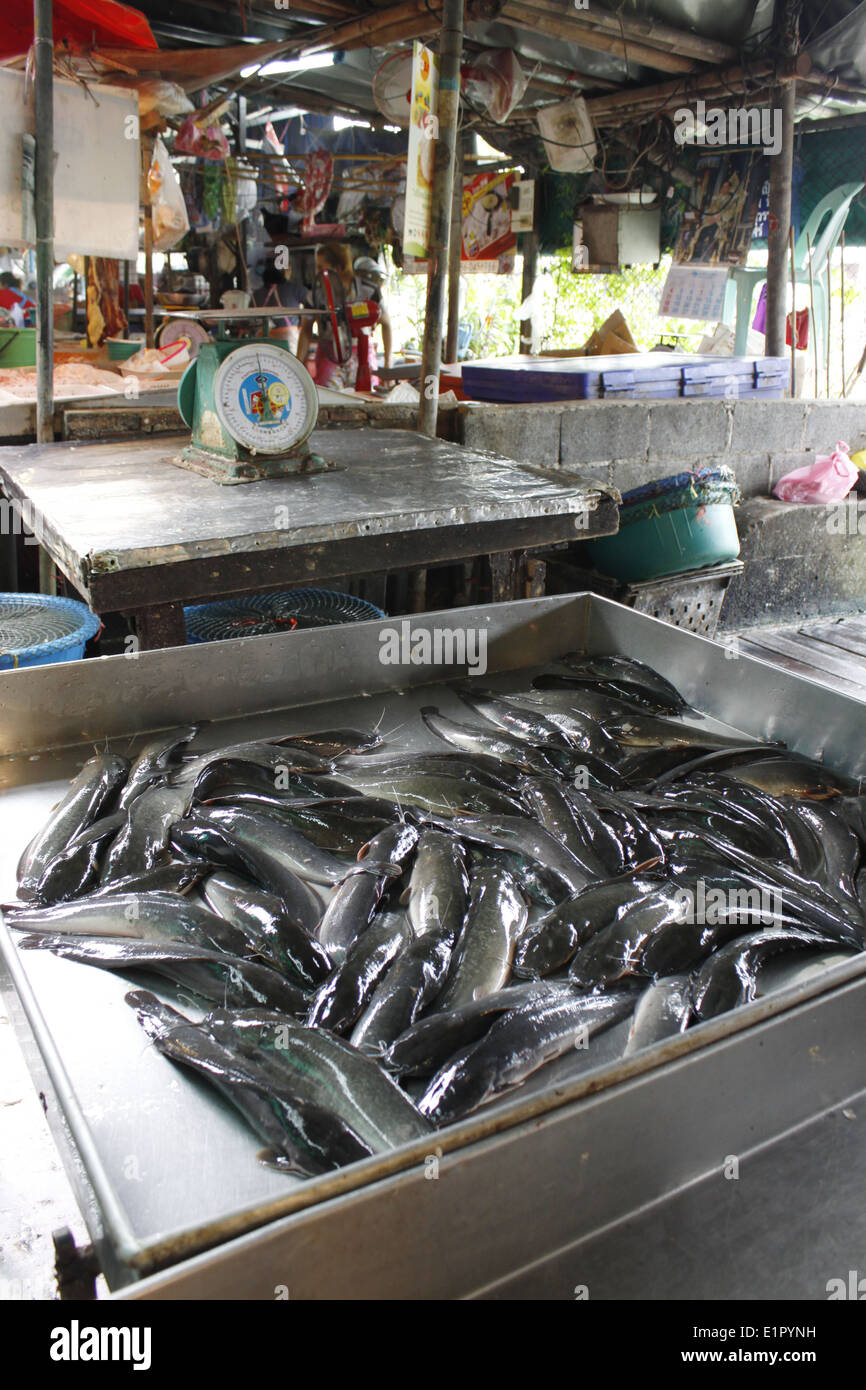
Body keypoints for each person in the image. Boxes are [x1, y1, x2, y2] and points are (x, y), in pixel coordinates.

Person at [296, 244, 392, 388]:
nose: (317, 272)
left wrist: (387, 363)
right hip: (329, 355)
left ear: (339, 268)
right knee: (331, 402)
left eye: (321, 267)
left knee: (365, 398)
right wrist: (298, 365)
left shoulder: (368, 291)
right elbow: (306, 331)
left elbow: (386, 324)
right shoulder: (316, 296)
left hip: (362, 355)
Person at [253, 256, 305, 351]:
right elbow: (311, 305)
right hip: (288, 342)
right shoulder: (295, 289)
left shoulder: (256, 294)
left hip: (264, 343)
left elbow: (252, 321)